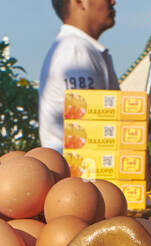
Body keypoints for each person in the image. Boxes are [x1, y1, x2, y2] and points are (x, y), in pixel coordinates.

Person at [38, 0, 118, 150]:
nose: (113, 2)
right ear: (80, 2)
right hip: (77, 168)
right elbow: (89, 126)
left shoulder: (80, 48)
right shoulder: (75, 51)